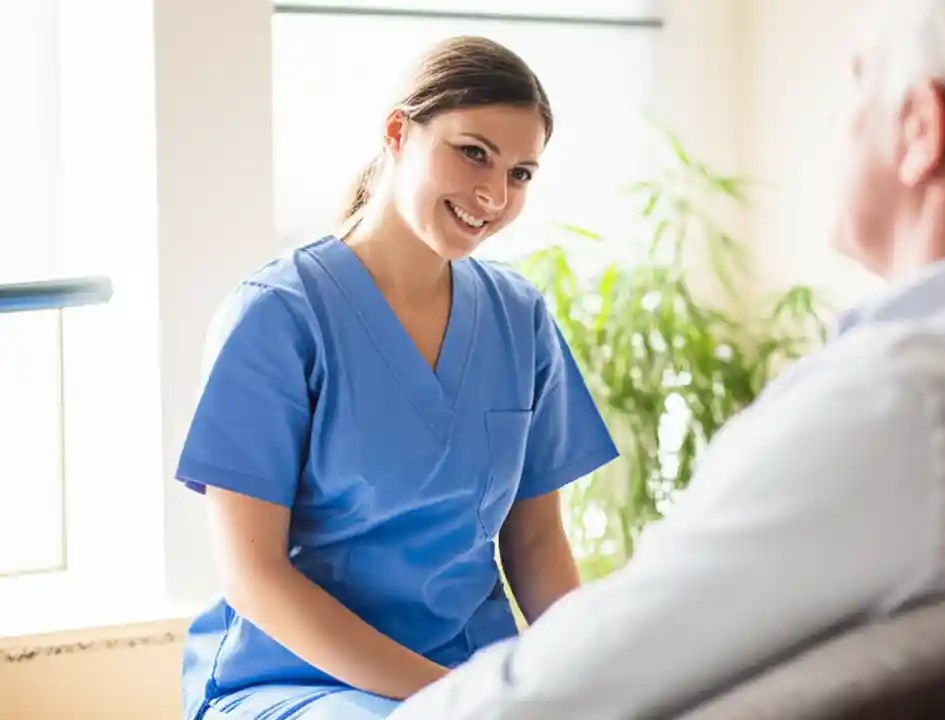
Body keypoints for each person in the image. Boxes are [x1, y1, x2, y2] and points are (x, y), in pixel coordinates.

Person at [388, 1, 945, 718]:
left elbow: (562, 693)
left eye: (857, 89)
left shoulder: (906, 403)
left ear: (922, 128)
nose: (836, 127)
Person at [174, 36, 618, 720]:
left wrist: (598, 680)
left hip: (476, 676)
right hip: (298, 681)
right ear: (397, 133)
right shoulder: (278, 316)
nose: (494, 193)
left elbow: (534, 543)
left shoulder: (517, 317)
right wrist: (447, 696)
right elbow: (253, 575)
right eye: (473, 152)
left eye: (521, 173)